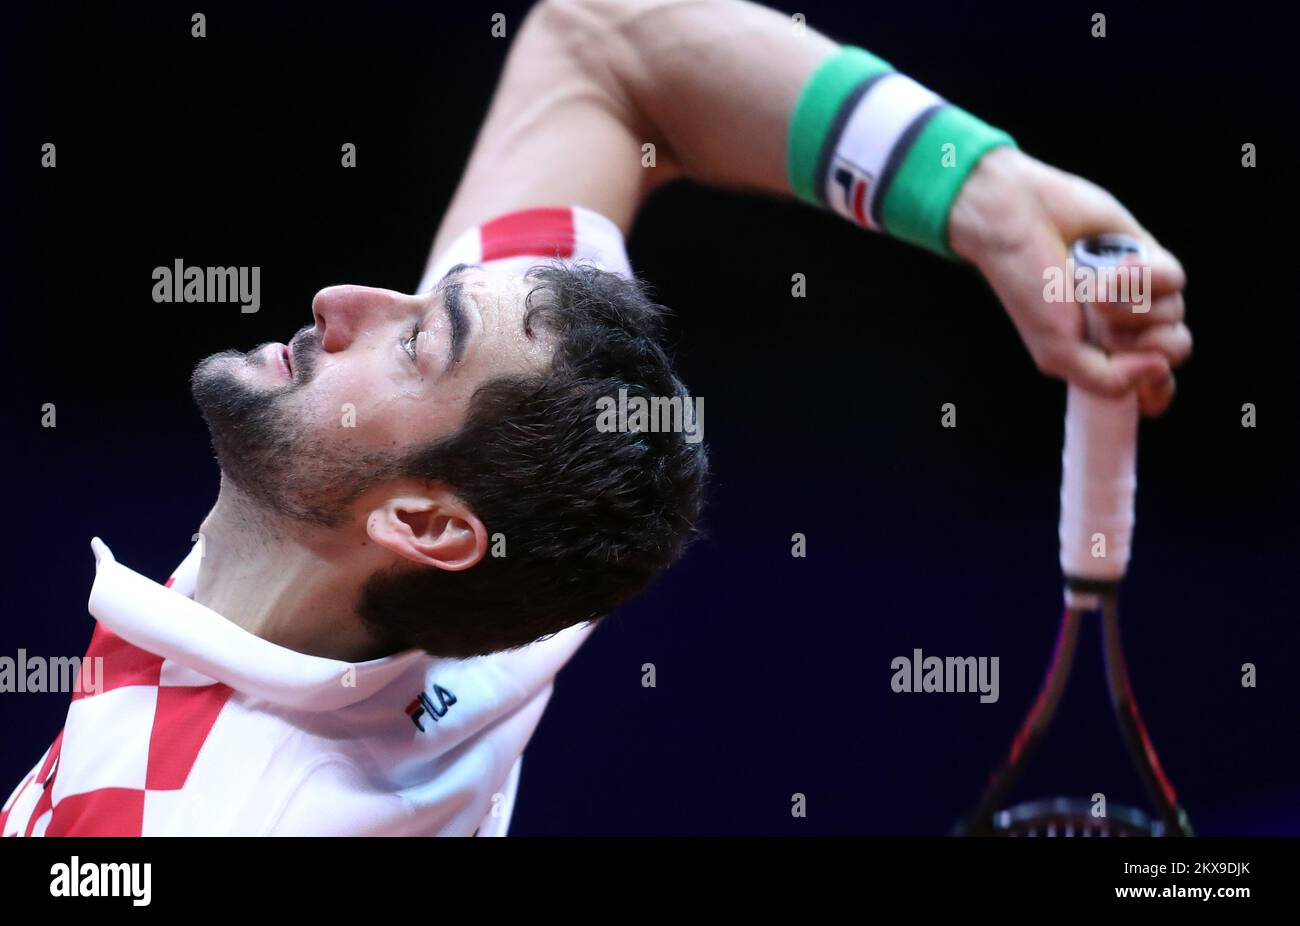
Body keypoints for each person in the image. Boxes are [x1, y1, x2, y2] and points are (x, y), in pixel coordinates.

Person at [0, 0, 1189, 837]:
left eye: (420, 337)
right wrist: (984, 193)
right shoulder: (483, 606)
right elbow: (607, 44)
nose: (343, 299)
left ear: (422, 519)